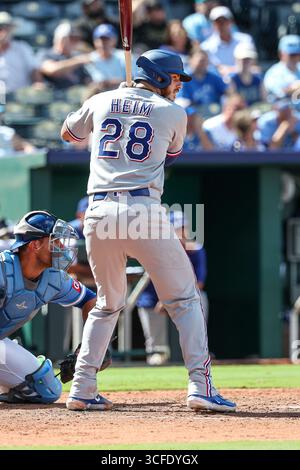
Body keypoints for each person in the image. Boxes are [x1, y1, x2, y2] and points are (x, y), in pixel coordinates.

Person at [61, 48, 236, 412]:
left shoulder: (101, 98)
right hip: (141, 208)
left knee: (107, 303)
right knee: (184, 300)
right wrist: (132, 103)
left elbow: (67, 133)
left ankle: (82, 387)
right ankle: (200, 387)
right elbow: (169, 156)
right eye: (174, 78)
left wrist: (115, 102)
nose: (177, 84)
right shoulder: (173, 113)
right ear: (156, 76)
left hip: (97, 211)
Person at [0, 210, 104, 406]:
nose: (62, 247)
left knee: (47, 389)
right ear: (35, 244)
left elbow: (90, 301)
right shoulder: (2, 270)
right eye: (55, 241)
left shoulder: (53, 278)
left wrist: (91, 347)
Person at [137, 210, 209, 365]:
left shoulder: (195, 249)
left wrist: (169, 298)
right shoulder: (155, 248)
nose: (181, 232)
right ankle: (157, 352)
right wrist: (164, 298)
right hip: (155, 297)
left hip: (180, 295)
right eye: (176, 228)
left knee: (200, 297)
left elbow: (199, 283)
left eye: (183, 227)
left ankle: (197, 349)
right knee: (147, 302)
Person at [264, 35, 300, 103]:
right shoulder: (274, 73)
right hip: (284, 110)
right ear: (281, 54)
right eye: (291, 55)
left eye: (297, 54)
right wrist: (292, 88)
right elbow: (278, 94)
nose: (295, 58)